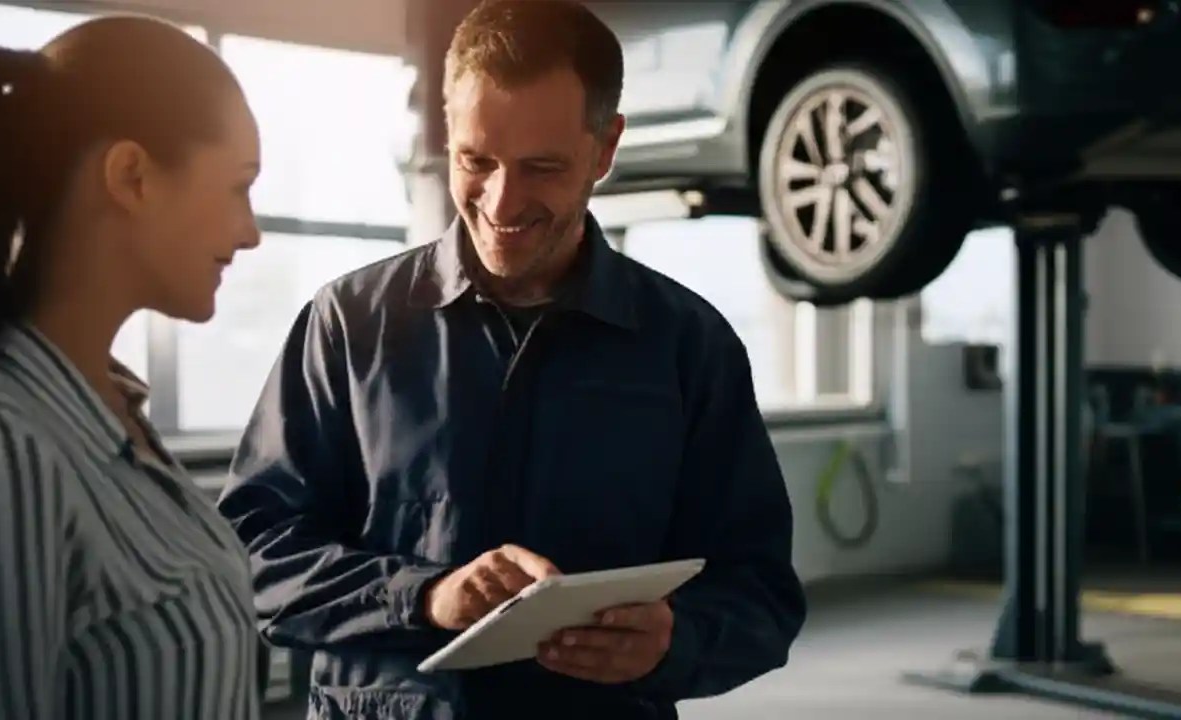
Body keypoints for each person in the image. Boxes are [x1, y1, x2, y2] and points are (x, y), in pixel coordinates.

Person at [217, 1, 806, 718]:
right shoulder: (348, 328)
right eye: (476, 161)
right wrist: (424, 596)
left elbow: (761, 592)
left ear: (605, 147)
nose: (502, 200)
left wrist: (677, 641)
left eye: (542, 168)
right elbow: (251, 555)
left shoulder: (690, 349)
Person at [0, 15, 263, 720]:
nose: (251, 231)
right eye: (238, 186)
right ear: (132, 176)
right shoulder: (7, 453)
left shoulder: (113, 415)